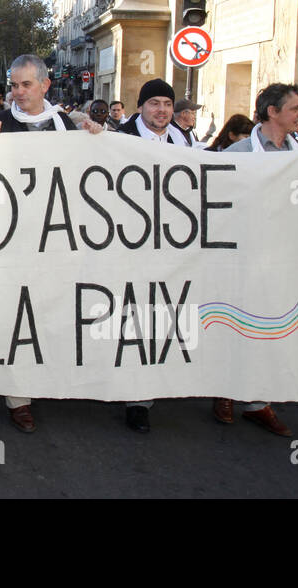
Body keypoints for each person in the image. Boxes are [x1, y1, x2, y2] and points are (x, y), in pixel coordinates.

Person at [0, 55, 102, 432]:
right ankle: (19, 398)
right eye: (13, 85)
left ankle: (56, 379)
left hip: (60, 239)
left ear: (45, 86)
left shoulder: (70, 124)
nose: (17, 92)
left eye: (25, 84)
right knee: (18, 314)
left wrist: (96, 137)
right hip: (12, 241)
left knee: (54, 310)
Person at [220, 84, 298, 435]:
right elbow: (218, 201)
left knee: (272, 324)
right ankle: (224, 390)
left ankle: (257, 401)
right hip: (243, 256)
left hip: (284, 258)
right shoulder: (239, 151)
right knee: (235, 322)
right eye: (295, 107)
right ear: (272, 112)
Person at [114, 78, 191, 432]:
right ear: (141, 107)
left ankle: (141, 397)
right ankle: (127, 390)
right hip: (124, 244)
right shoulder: (120, 139)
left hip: (168, 245)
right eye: (154, 103)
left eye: (167, 104)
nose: (162, 110)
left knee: (156, 317)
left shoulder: (181, 138)